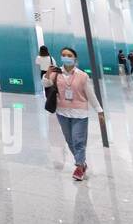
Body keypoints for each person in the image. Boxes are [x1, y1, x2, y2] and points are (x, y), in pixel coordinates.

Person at [43, 46, 105, 181]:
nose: (66, 57)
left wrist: (99, 110)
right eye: (64, 55)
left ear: (75, 58)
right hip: (62, 112)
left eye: (69, 55)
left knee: (78, 141)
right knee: (69, 140)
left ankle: (79, 166)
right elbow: (46, 84)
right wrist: (48, 72)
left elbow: (90, 94)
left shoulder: (82, 76)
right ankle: (82, 163)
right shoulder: (56, 73)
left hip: (79, 113)